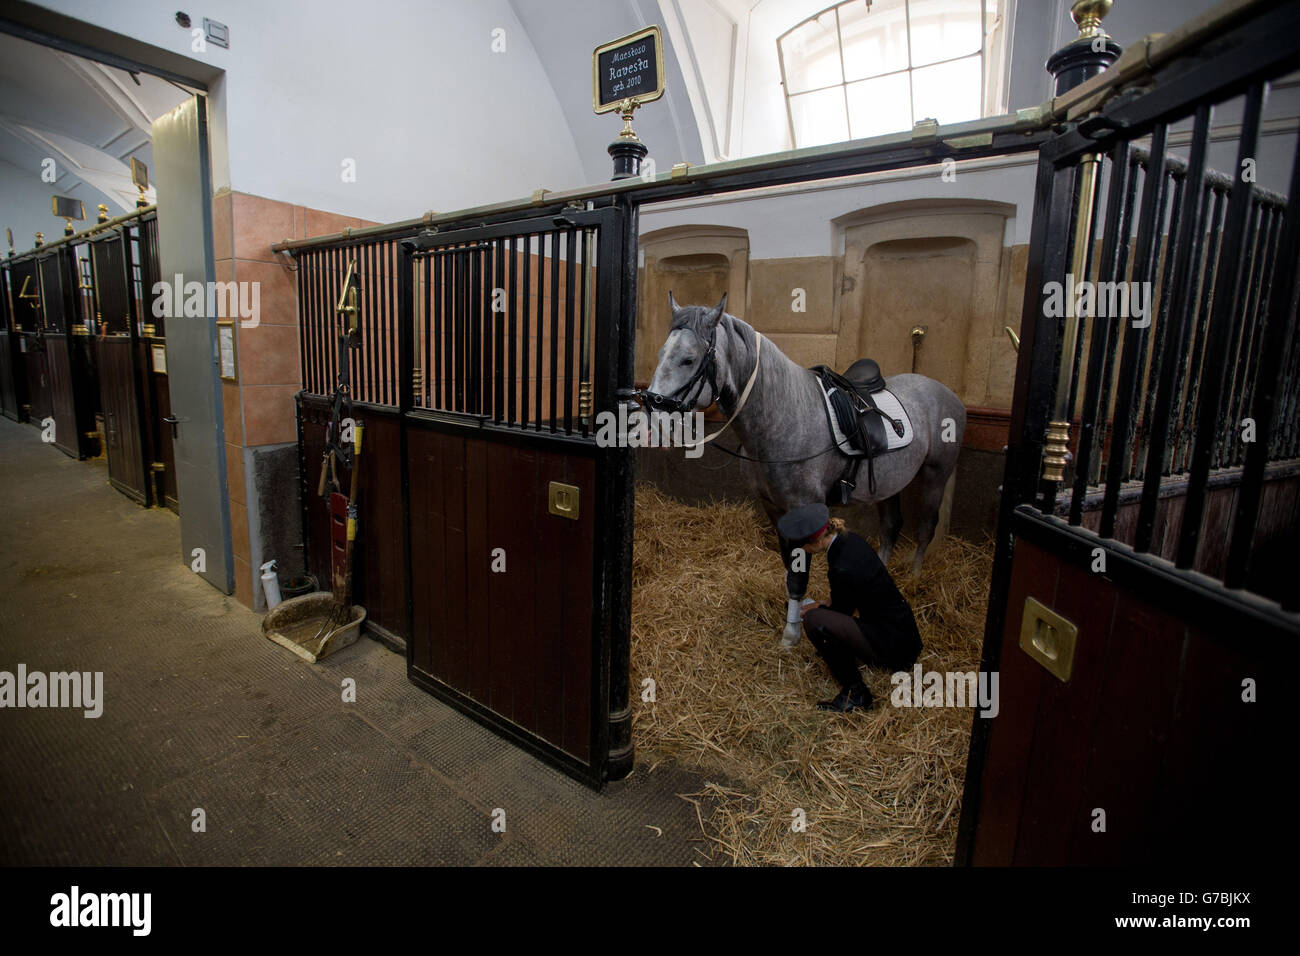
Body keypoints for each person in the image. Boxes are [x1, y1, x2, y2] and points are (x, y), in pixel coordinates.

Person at [777, 503, 922, 712]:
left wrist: (819, 611)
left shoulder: (841, 566)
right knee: (819, 612)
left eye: (803, 547)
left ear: (816, 541)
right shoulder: (848, 540)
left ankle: (856, 693)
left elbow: (841, 612)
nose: (803, 552)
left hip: (892, 647)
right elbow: (850, 594)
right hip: (901, 633)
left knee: (814, 622)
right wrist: (826, 604)